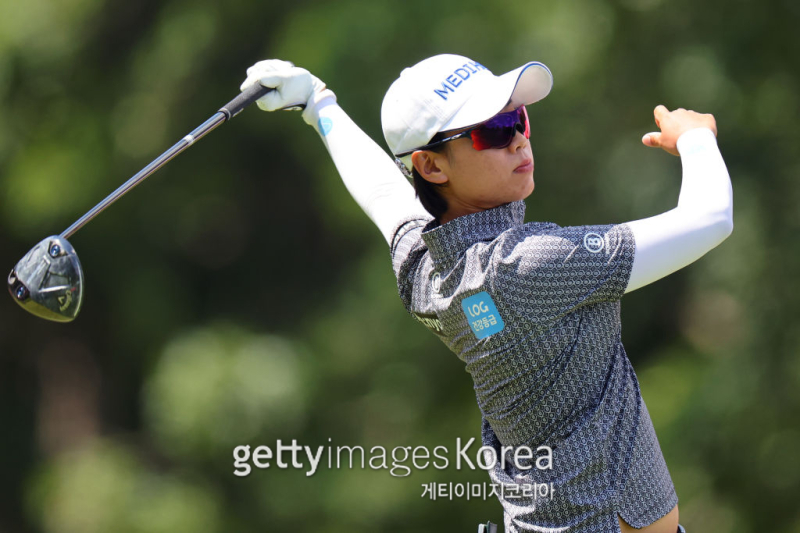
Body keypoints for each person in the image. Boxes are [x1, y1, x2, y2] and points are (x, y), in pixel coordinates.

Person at [240, 54, 732, 533]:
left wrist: (318, 104)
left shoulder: (426, 272)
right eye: (493, 131)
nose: (519, 140)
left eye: (518, 118)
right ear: (431, 167)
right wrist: (696, 138)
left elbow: (385, 194)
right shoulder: (527, 265)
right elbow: (710, 220)